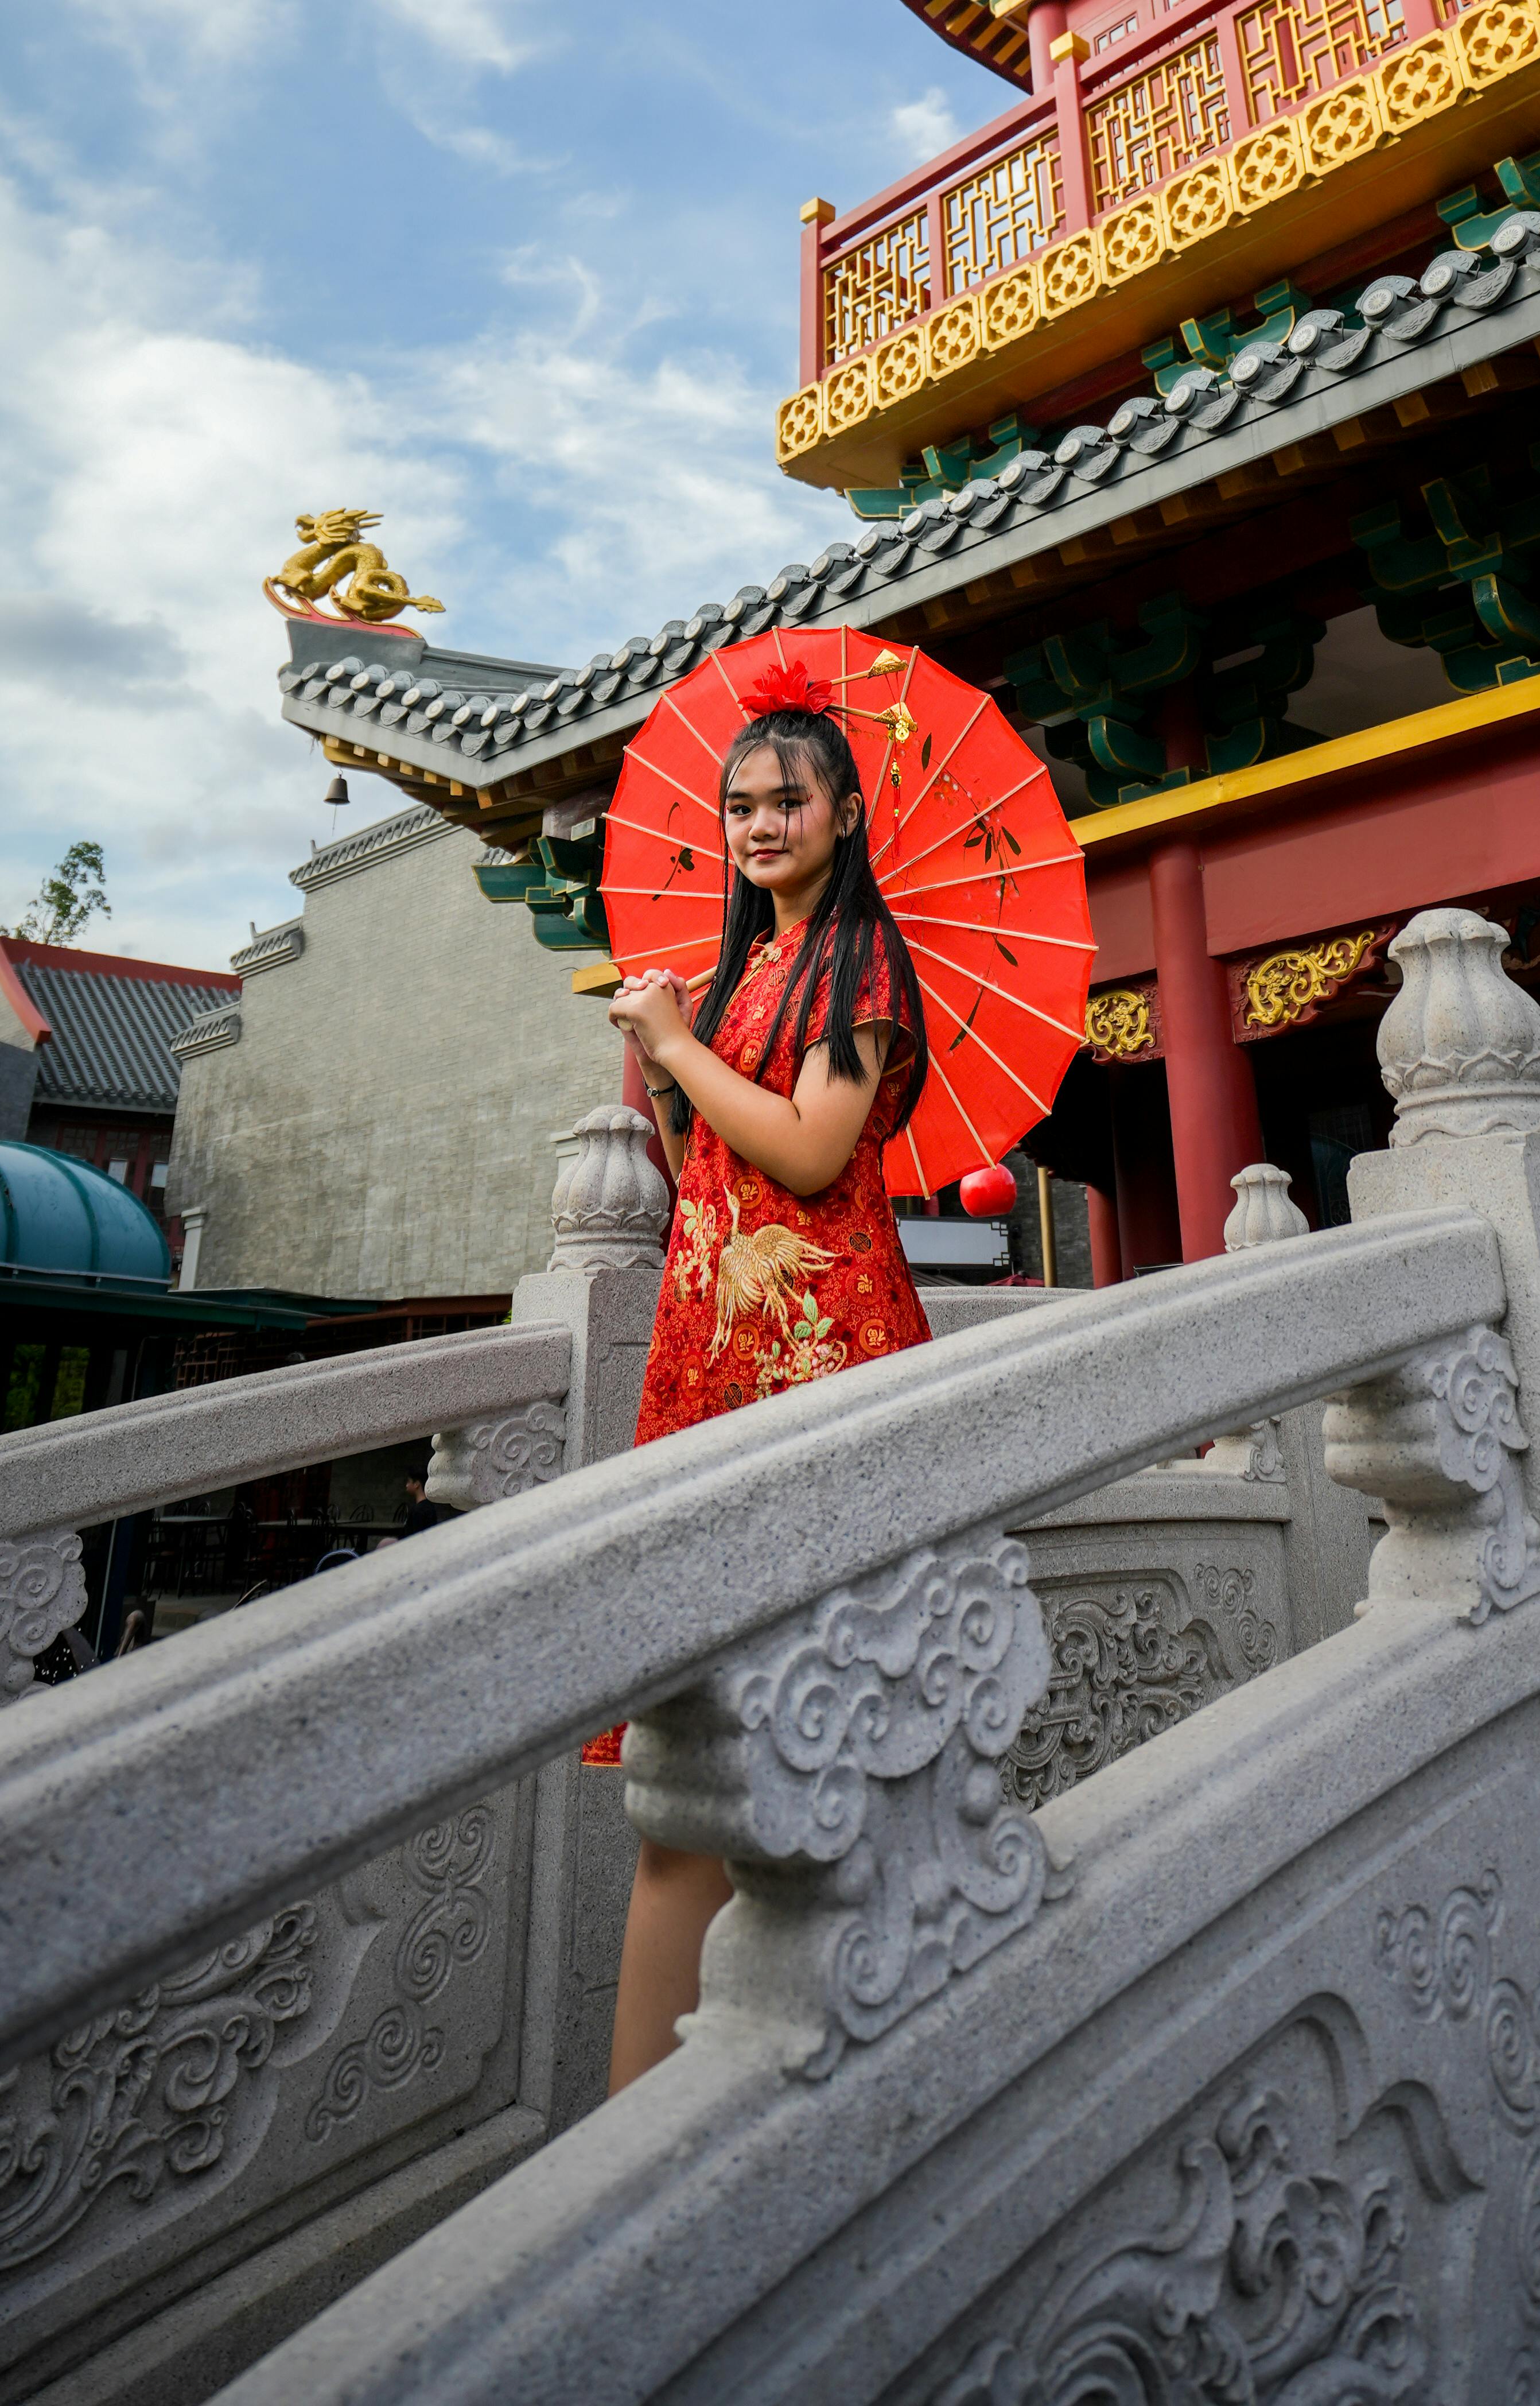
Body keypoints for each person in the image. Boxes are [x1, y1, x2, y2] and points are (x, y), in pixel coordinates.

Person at [593, 670, 930, 2090]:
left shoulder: (859, 965)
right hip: (712, 1358)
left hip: (820, 1364)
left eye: (787, 798)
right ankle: (638, 2135)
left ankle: (826, 2073)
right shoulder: (739, 976)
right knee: (687, 1775)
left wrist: (677, 1046)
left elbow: (807, 1156)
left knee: (812, 1744)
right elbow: (715, 1177)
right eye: (737, 805)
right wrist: (667, 1071)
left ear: (845, 815)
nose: (757, 822)